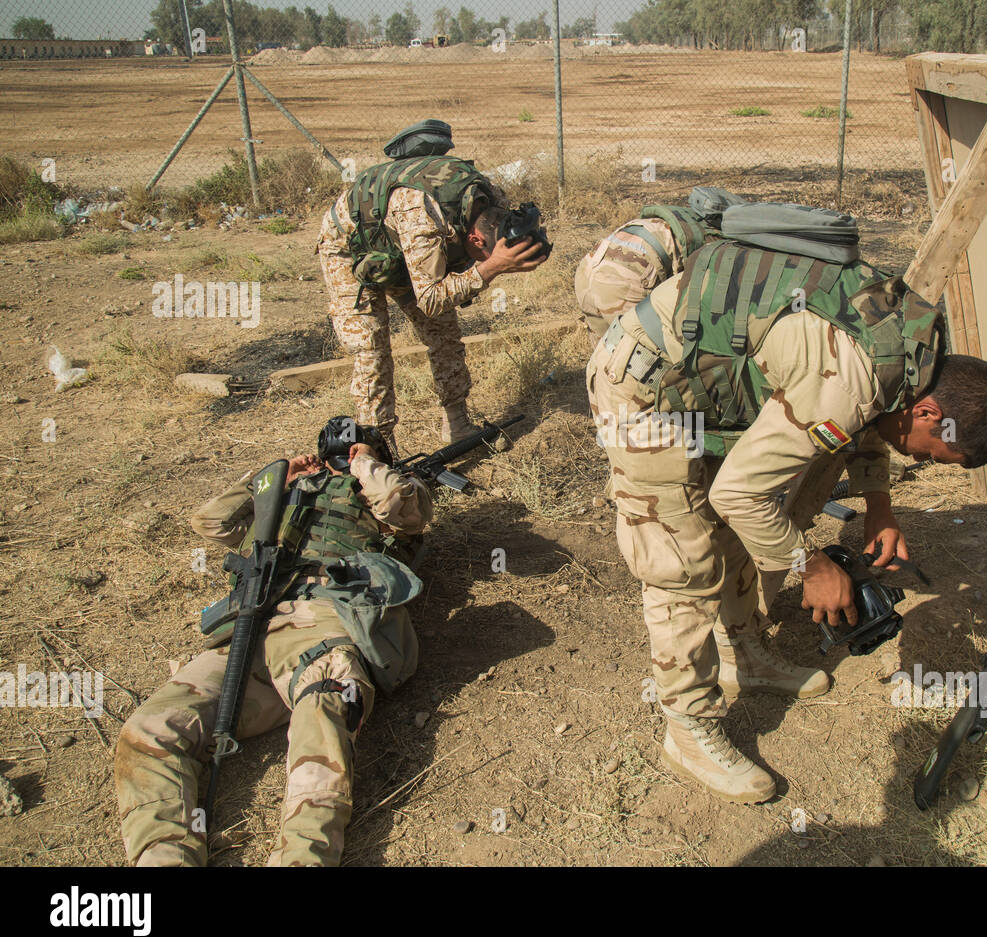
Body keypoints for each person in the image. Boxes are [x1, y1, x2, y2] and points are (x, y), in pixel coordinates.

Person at [587, 236, 987, 803]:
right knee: (684, 564)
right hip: (640, 395)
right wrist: (808, 563)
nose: (913, 457)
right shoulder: (850, 381)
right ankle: (687, 727)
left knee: (736, 535)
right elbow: (743, 492)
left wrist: (879, 505)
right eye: (923, 452)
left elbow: (876, 408)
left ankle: (742, 653)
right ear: (930, 412)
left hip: (701, 389)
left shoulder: (916, 345)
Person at [114, 418, 433, 866]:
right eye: (344, 450)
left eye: (362, 449)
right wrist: (267, 481)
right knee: (149, 730)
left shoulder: (386, 492)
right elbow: (208, 521)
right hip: (248, 630)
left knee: (325, 714)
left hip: (326, 621)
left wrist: (367, 468)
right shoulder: (277, 501)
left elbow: (405, 509)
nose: (349, 455)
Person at [318, 127, 548, 449]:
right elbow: (429, 298)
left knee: (445, 335)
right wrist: (491, 267)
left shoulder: (492, 199)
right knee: (372, 349)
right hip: (351, 248)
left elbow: (443, 293)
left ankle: (457, 427)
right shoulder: (422, 215)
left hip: (403, 246)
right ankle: (379, 454)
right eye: (484, 252)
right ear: (474, 239)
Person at [573, 186, 743, 345]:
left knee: (605, 354)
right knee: (643, 356)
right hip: (625, 277)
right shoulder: (723, 242)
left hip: (589, 265)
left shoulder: (686, 219)